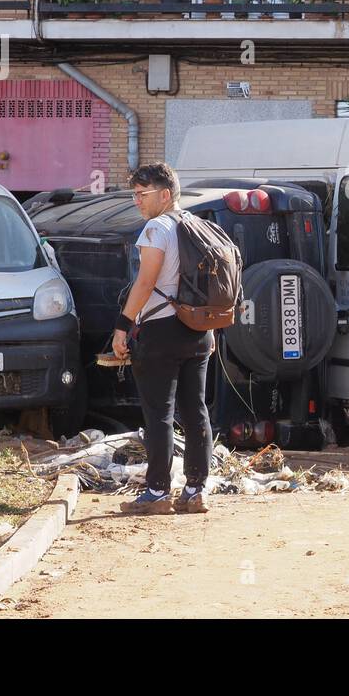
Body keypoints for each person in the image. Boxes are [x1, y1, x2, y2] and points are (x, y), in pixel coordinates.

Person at [114, 162, 214, 515]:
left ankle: (157, 493)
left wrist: (122, 325)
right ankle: (195, 490)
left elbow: (145, 282)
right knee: (196, 410)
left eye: (143, 194)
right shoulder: (196, 224)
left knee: (159, 413)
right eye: (134, 194)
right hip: (199, 331)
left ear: (166, 194)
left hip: (161, 331)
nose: (137, 201)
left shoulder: (157, 228)